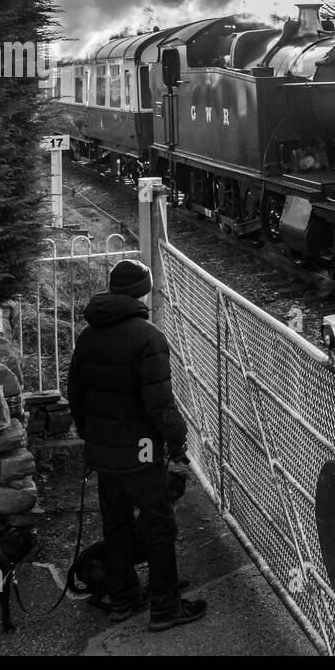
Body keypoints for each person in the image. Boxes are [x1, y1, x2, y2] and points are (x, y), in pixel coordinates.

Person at [66, 259, 207, 631]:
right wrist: (178, 443)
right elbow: (160, 405)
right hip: (141, 451)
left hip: (104, 452)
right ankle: (164, 605)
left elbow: (76, 395)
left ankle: (123, 598)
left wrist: (90, 437)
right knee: (160, 526)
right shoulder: (148, 338)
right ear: (143, 292)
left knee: (116, 526)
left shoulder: (88, 335)